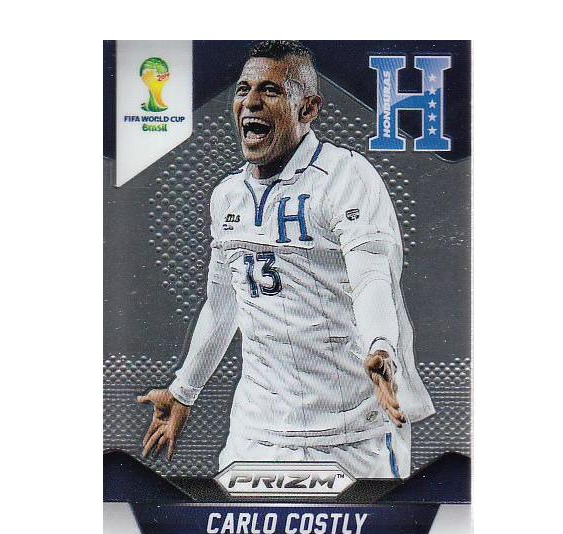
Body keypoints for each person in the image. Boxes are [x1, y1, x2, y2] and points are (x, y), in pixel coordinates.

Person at [137, 40, 434, 478]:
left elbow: (371, 276)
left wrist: (380, 346)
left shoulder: (345, 176)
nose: (251, 102)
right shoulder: (227, 196)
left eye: (271, 90)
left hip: (350, 437)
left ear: (308, 108)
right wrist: (184, 391)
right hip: (256, 435)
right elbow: (222, 305)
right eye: (243, 89)